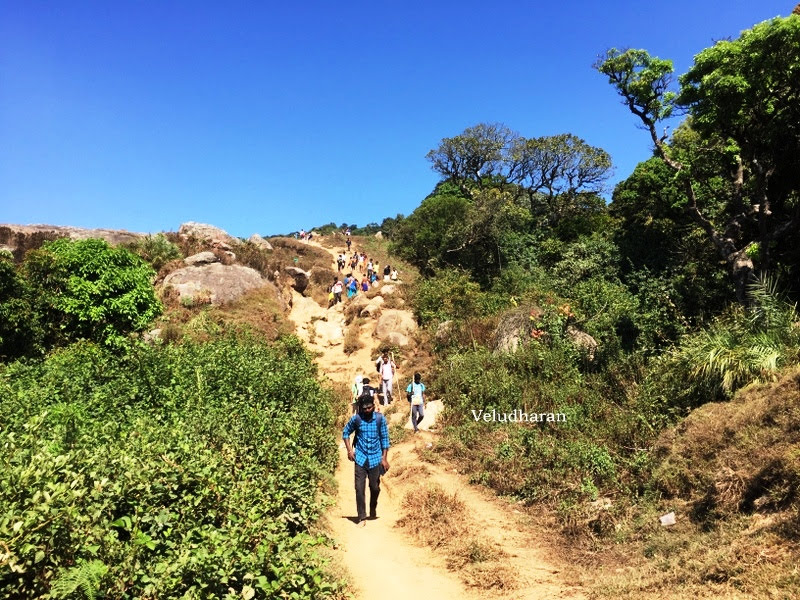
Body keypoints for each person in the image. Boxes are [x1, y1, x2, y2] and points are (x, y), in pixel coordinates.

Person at [342, 394, 390, 526]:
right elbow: (345, 433)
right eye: (365, 408)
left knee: (374, 488)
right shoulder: (356, 419)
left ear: (374, 406)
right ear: (361, 408)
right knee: (359, 488)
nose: (367, 410)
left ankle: (373, 506)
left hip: (375, 458)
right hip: (361, 458)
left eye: (369, 407)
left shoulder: (380, 419)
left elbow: (385, 439)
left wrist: (384, 458)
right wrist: (350, 451)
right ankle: (362, 517)